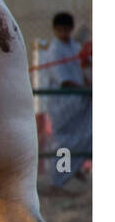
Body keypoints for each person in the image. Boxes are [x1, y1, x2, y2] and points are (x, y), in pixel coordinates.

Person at [33, 11, 91, 193]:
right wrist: (83, 89)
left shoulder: (74, 47)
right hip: (63, 104)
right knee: (63, 142)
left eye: (67, 29)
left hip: (79, 102)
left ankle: (73, 168)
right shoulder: (55, 50)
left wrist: (88, 82)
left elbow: (82, 69)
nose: (64, 33)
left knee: (86, 135)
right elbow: (64, 79)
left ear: (71, 29)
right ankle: (56, 183)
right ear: (55, 30)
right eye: (60, 30)